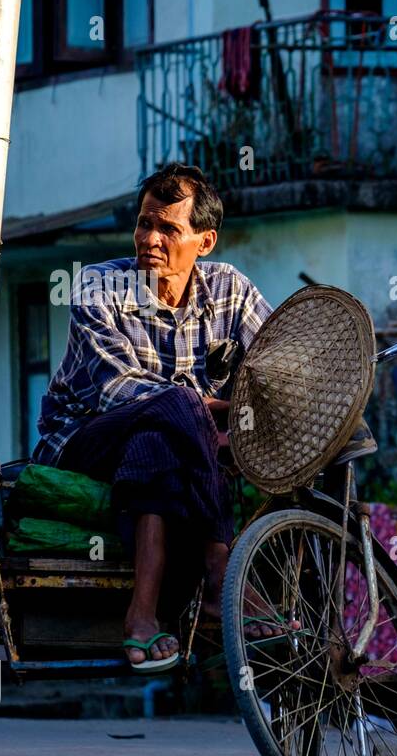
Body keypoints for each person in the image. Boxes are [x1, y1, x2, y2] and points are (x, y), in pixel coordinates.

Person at [32, 163, 274, 671]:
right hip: (81, 441)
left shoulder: (230, 290)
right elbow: (118, 388)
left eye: (169, 228)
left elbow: (276, 366)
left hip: (161, 451)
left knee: (158, 440)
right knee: (179, 403)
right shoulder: (99, 286)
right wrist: (214, 419)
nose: (151, 239)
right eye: (145, 223)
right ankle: (219, 565)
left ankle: (141, 614)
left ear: (204, 242)